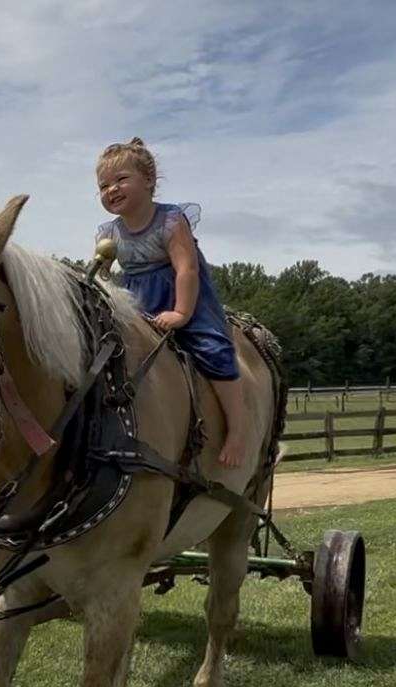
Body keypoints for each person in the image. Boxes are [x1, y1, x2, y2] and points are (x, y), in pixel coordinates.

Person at [95, 138, 245, 467]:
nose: (111, 190)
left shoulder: (170, 221)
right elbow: (103, 277)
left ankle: (237, 430)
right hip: (138, 303)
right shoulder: (109, 234)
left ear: (149, 180)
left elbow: (187, 269)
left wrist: (181, 313)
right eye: (103, 186)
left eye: (121, 179)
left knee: (214, 350)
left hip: (184, 298)